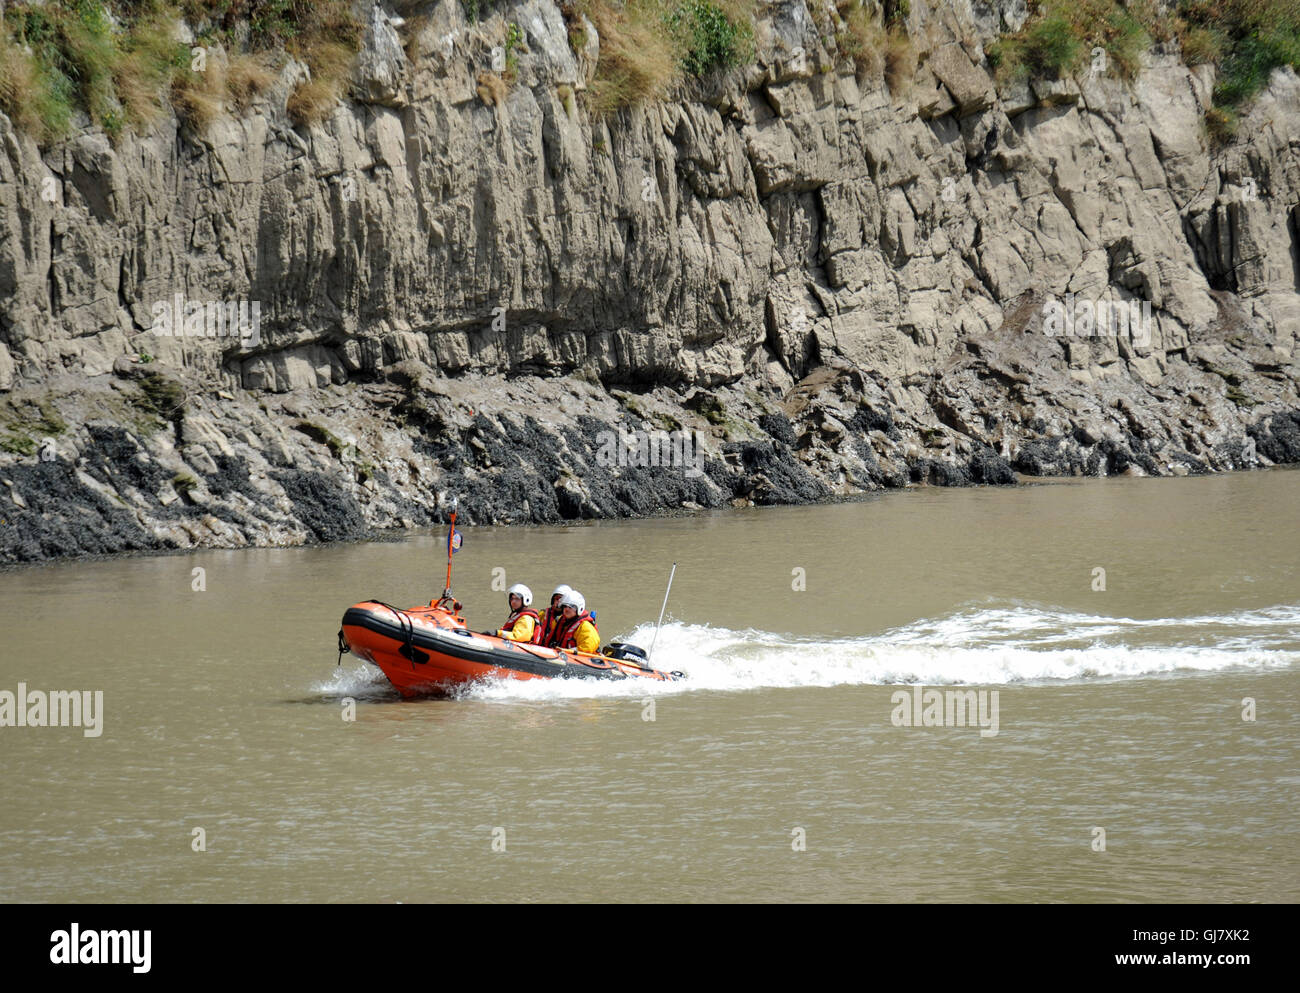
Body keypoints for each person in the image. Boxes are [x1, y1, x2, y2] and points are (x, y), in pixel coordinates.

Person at [550, 590, 599, 654]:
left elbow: (588, 647)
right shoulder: (561, 621)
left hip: (578, 658)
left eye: (571, 607)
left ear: (579, 608)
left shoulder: (585, 627)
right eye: (565, 606)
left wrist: (569, 651)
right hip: (562, 656)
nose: (567, 609)